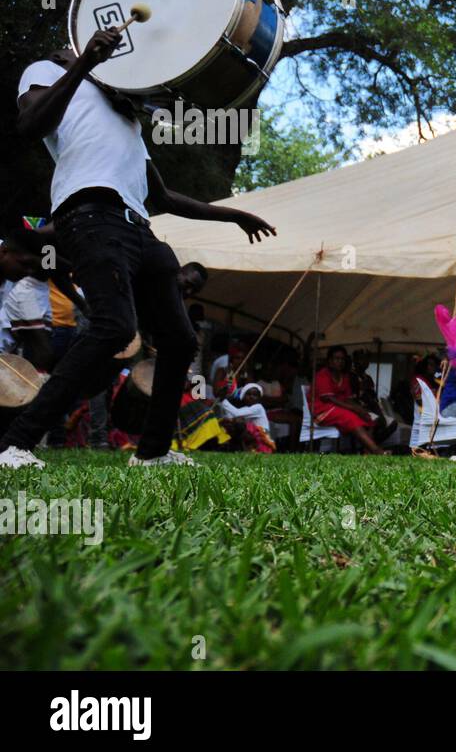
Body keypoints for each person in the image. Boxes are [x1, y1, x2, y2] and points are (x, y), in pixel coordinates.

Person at [1, 25, 276, 470]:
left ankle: (151, 453)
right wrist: (86, 63)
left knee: (179, 339)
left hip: (138, 226)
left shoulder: (125, 117)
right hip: (89, 212)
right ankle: (15, 443)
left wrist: (232, 214)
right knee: (113, 327)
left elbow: (162, 197)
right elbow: (30, 125)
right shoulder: (46, 71)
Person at [311, 345, 387, 454]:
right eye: (337, 359)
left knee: (369, 417)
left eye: (342, 359)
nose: (340, 362)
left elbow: (347, 399)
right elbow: (329, 399)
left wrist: (360, 410)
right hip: (322, 411)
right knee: (350, 417)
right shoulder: (323, 375)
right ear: (330, 361)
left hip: (338, 408)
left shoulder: (344, 376)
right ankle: (377, 451)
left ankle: (367, 453)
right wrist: (355, 410)